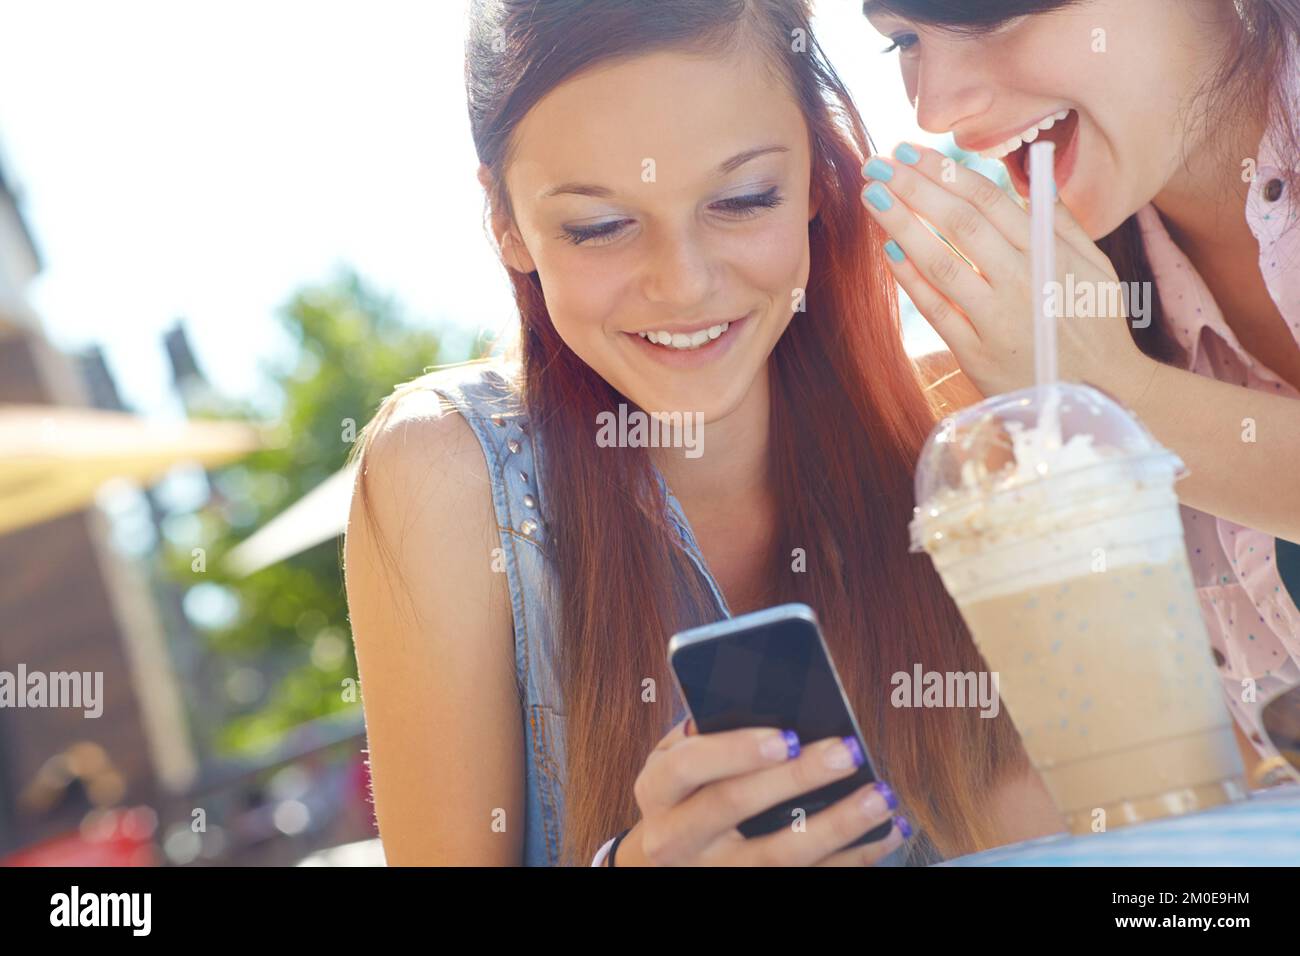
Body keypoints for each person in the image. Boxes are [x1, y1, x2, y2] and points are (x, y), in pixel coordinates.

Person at [343, 0, 1062, 867]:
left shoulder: (972, 438)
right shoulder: (446, 477)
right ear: (506, 223)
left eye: (742, 200)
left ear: (817, 175)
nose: (682, 285)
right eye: (600, 226)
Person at [859, 0, 1300, 776]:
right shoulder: (1081, 301)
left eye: (984, 12)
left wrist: (1118, 396)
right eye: (904, 41)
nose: (935, 109)